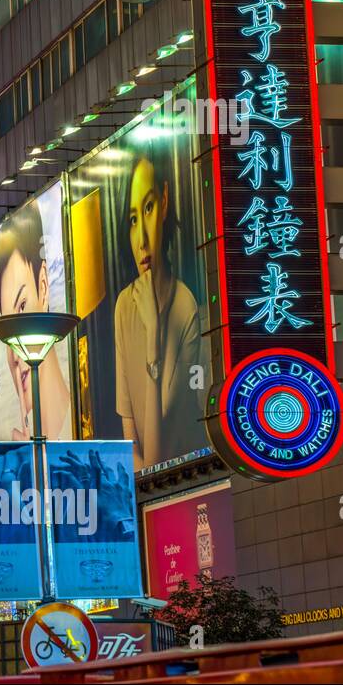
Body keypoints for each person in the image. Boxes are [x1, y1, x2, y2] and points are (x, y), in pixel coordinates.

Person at [114, 149, 206, 471]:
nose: (141, 239)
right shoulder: (124, 306)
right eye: (132, 220)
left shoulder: (185, 307)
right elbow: (132, 446)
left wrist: (153, 330)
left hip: (189, 477)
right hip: (144, 488)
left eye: (149, 207)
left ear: (165, 202)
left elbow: (157, 457)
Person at [0, 201, 71, 441]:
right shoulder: (20, 450)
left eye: (22, 306)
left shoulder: (82, 430)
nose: (16, 354)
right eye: (6, 326)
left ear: (43, 287)